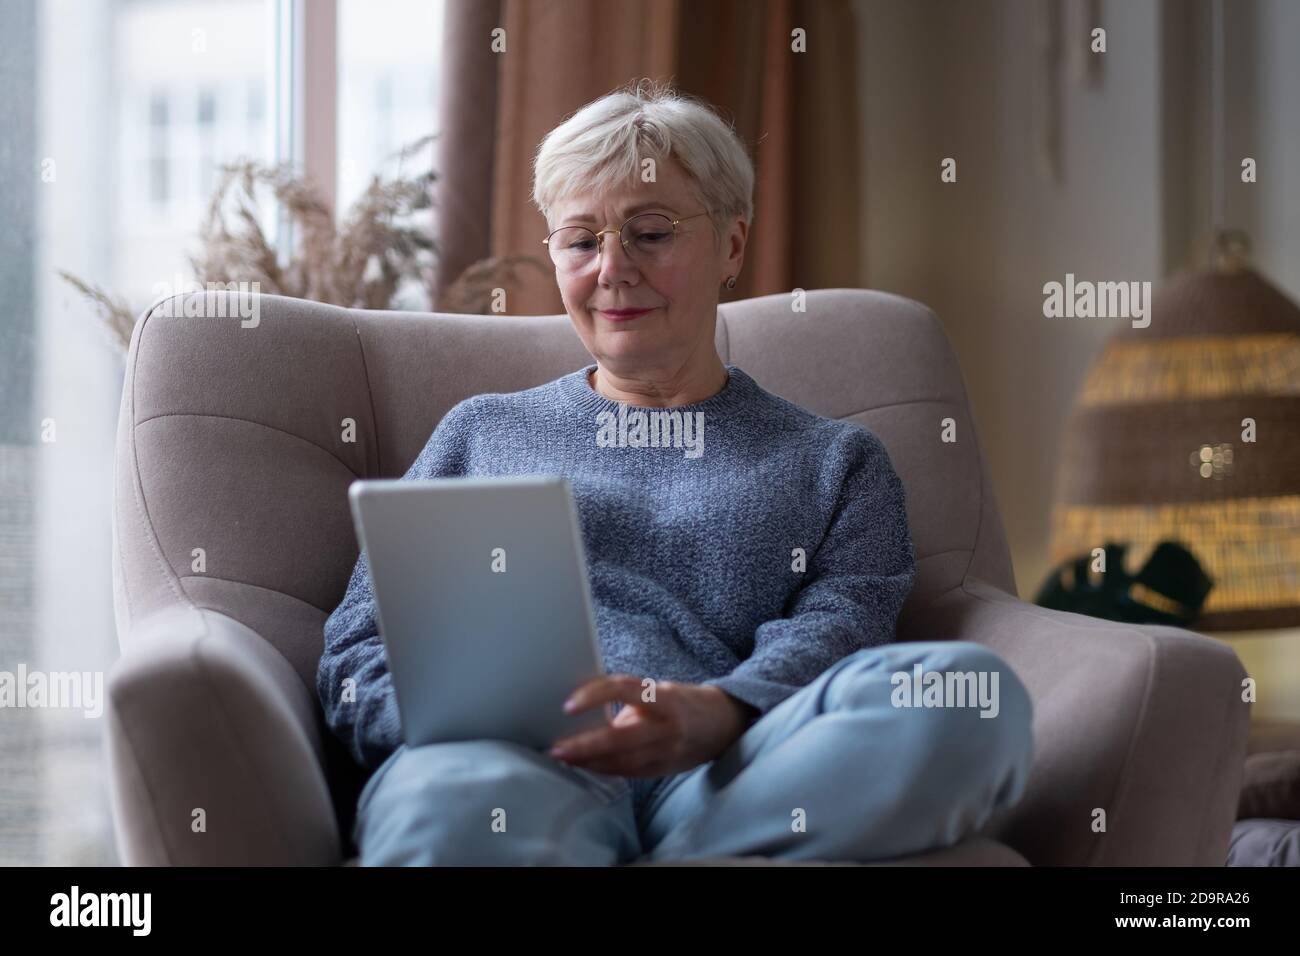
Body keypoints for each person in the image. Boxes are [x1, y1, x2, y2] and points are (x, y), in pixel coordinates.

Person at [317, 78, 1033, 865]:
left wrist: (723, 710)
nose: (612, 268)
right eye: (581, 240)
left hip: (732, 770)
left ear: (731, 243)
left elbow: (844, 630)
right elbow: (356, 652)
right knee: (454, 803)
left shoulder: (835, 461)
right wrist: (460, 725)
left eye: (650, 232)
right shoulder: (482, 432)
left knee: (968, 693)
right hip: (514, 769)